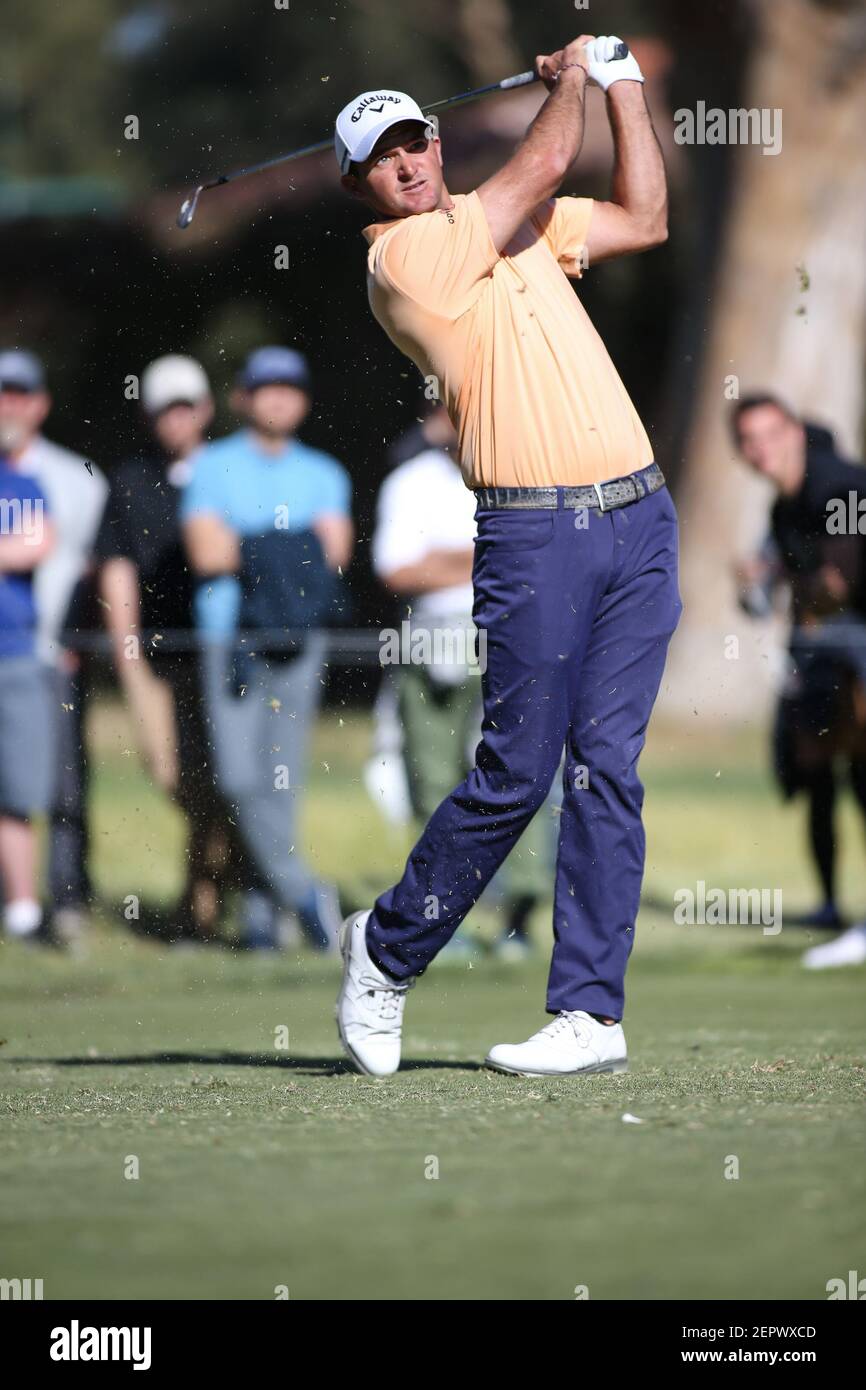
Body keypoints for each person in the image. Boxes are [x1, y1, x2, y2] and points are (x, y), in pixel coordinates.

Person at [333, 33, 681, 1076]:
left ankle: (586, 1014)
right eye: (381, 157)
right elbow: (532, 163)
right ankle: (384, 953)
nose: (405, 164)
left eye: (413, 142)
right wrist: (572, 74)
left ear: (435, 142)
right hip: (535, 530)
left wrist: (620, 87)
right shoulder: (400, 258)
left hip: (639, 517)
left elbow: (644, 217)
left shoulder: (514, 223)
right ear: (359, 182)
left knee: (608, 769)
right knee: (516, 770)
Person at [182, 346, 353, 951]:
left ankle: (262, 916)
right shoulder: (212, 465)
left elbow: (334, 555)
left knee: (280, 779)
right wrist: (293, 547)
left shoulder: (325, 473)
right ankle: (304, 894)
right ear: (243, 398)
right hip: (230, 637)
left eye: (290, 387)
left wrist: (252, 546)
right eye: (265, 387)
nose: (278, 397)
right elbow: (206, 551)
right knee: (235, 777)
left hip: (298, 640)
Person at [373, 399, 551, 958]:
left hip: (511, 634)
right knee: (433, 779)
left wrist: (449, 560)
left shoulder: (520, 476)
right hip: (435, 638)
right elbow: (398, 568)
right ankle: (441, 917)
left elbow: (538, 560)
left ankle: (519, 916)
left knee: (517, 771)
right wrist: (483, 557)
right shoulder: (410, 481)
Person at [96, 354, 240, 941]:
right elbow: (118, 569)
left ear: (204, 409)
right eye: (164, 410)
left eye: (185, 407)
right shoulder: (130, 482)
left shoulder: (231, 472)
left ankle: (204, 901)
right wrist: (126, 652)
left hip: (224, 654)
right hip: (158, 656)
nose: (176, 420)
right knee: (172, 774)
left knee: (223, 777)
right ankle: (223, 880)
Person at [731, 393, 866, 971]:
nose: (762, 449)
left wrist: (782, 574)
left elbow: (836, 586)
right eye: (749, 440)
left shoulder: (838, 485)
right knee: (816, 773)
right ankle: (833, 907)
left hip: (852, 646)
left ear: (795, 431)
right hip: (821, 653)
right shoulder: (784, 508)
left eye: (771, 433)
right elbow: (772, 602)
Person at [0, 349, 108, 944]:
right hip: (14, 648)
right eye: (1, 393)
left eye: (20, 393)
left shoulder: (75, 476)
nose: (9, 404)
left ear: (40, 403)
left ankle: (65, 897)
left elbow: (91, 564)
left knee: (62, 785)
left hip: (54, 652)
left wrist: (84, 636)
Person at [0, 455, 56, 940]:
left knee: (19, 791)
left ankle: (23, 912)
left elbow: (36, 545)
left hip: (14, 653)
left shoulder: (23, 484)